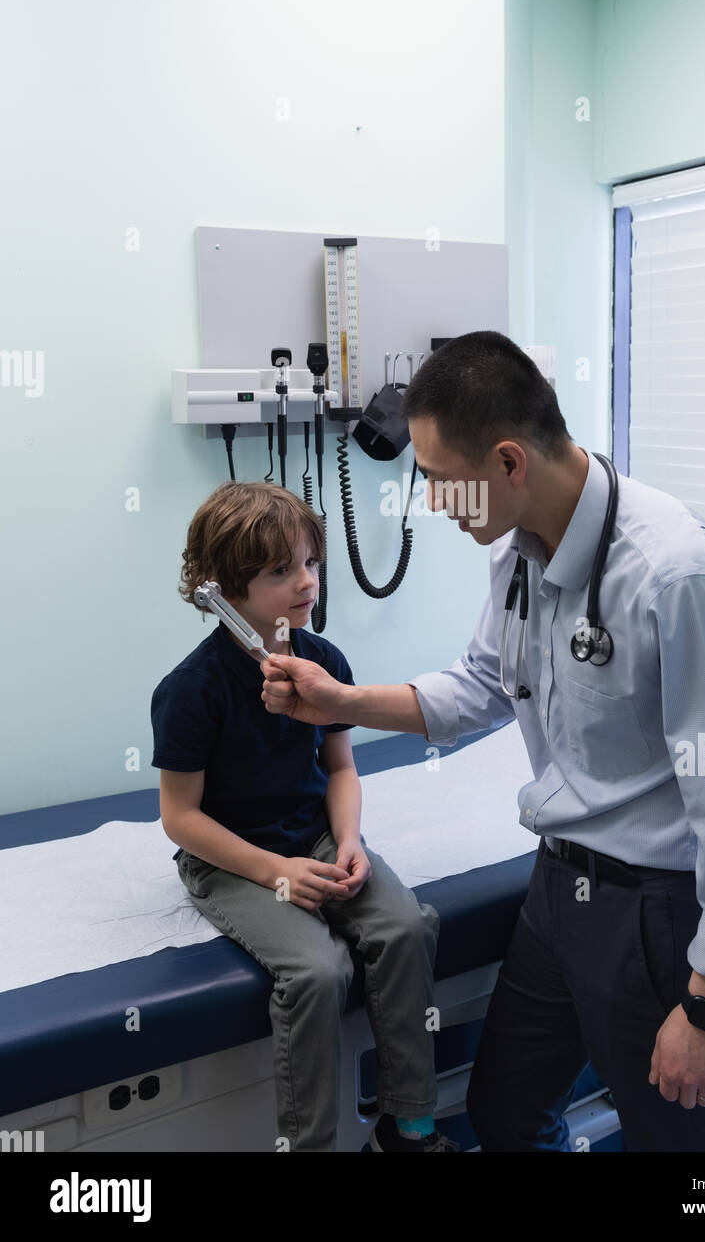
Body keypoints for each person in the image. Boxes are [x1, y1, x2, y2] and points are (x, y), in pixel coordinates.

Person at [260, 330, 705, 1153]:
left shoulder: (678, 577)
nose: (431, 505)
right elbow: (480, 686)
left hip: (656, 913)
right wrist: (340, 701)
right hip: (558, 895)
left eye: (439, 482)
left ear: (508, 462)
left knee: (691, 1154)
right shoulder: (517, 554)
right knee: (507, 1115)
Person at [151, 480, 458, 1152]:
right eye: (279, 570)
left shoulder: (323, 663)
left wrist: (347, 839)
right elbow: (180, 818)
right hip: (230, 857)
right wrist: (278, 872)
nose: (305, 583)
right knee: (319, 973)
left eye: (311, 563)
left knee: (406, 926)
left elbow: (341, 768)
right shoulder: (191, 692)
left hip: (316, 835)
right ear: (223, 588)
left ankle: (409, 1126)